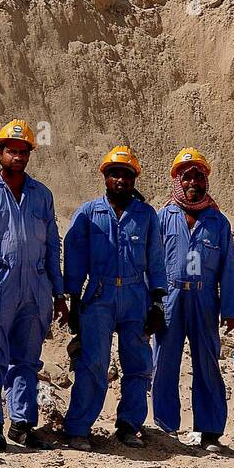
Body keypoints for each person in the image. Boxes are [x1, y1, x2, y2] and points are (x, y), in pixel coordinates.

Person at [0, 119, 68, 451]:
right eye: (12, 151)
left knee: (27, 358)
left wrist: (58, 292)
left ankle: (21, 424)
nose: (18, 157)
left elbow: (53, 245)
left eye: (24, 152)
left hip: (35, 286)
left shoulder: (42, 195)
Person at [62, 146, 167, 451]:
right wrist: (73, 299)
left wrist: (158, 301)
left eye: (126, 174)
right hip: (99, 294)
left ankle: (129, 426)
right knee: (92, 362)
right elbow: (75, 256)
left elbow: (156, 260)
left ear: (134, 178)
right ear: (105, 177)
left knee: (138, 365)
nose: (120, 179)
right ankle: (79, 429)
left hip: (136, 295)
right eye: (114, 174)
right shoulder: (88, 213)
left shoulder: (146, 215)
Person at [151, 148, 234, 451]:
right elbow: (151, 262)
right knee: (164, 361)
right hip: (171, 297)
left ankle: (210, 430)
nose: (193, 182)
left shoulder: (218, 222)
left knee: (207, 363)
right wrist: (149, 300)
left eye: (198, 177)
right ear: (178, 180)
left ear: (206, 181)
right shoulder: (164, 217)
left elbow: (228, 267)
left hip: (204, 299)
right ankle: (165, 428)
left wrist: (231, 309)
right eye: (187, 176)